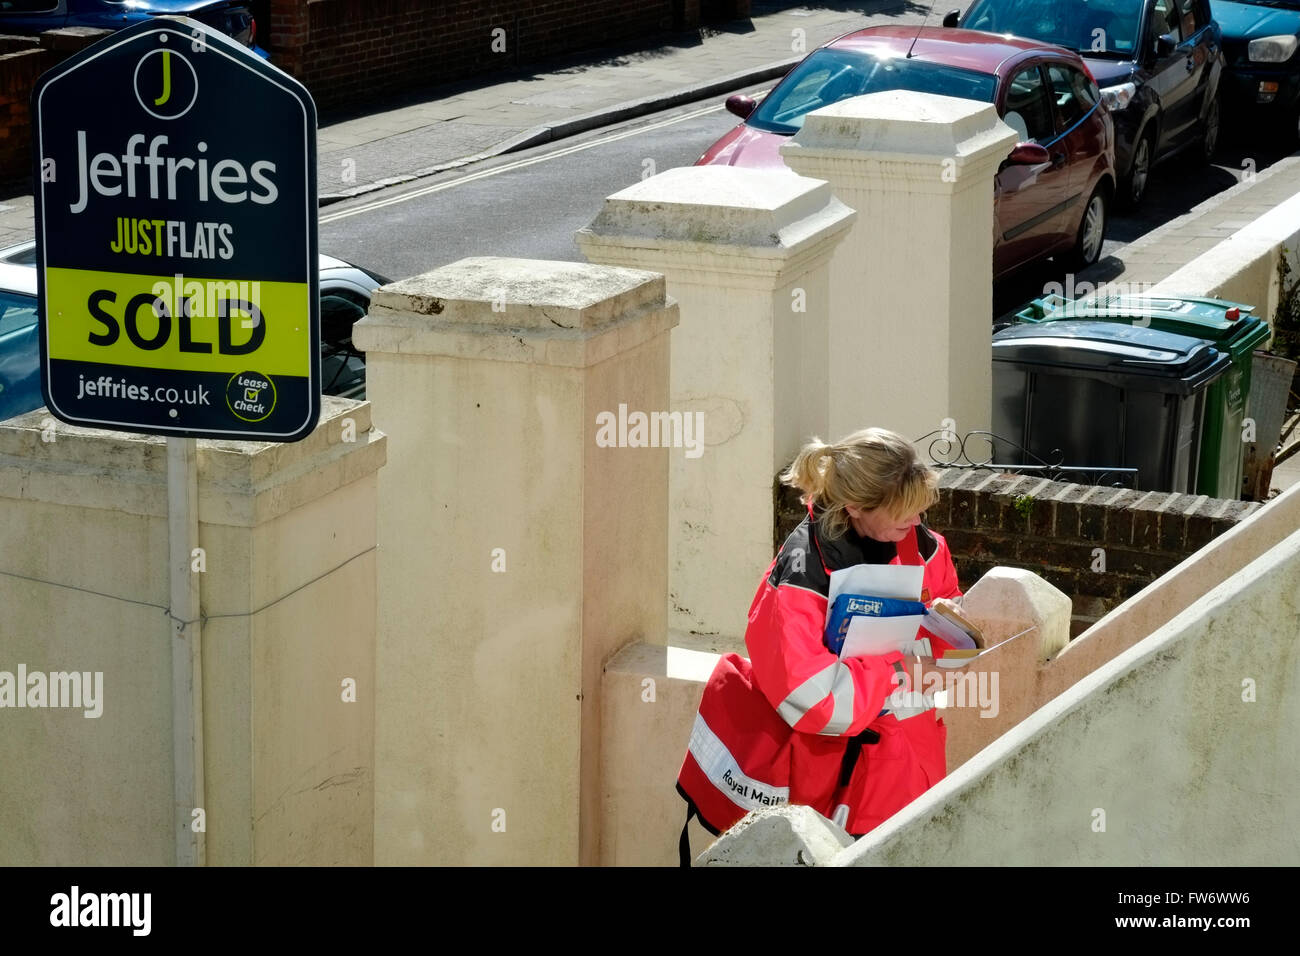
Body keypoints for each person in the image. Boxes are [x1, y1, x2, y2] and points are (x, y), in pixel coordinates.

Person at [677, 427, 963, 851]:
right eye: (906, 511)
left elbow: (946, 621)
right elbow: (813, 700)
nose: (918, 521)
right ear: (856, 507)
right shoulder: (800, 575)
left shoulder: (921, 543)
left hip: (912, 777)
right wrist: (900, 672)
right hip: (839, 796)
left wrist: (953, 621)